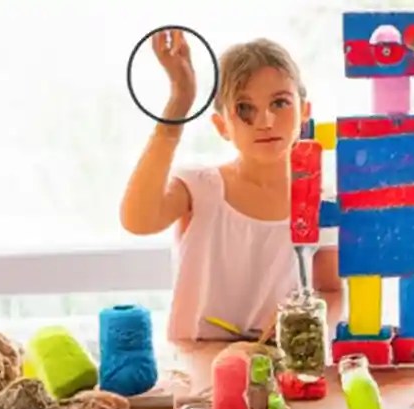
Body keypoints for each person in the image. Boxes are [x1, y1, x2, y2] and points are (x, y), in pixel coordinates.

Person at [120, 31, 339, 342]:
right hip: (199, 362)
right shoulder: (200, 187)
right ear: (222, 125)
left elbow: (330, 290)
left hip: (281, 361)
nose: (265, 120)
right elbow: (137, 220)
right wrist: (179, 101)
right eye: (245, 108)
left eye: (280, 103)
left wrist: (308, 325)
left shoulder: (321, 199)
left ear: (304, 112)